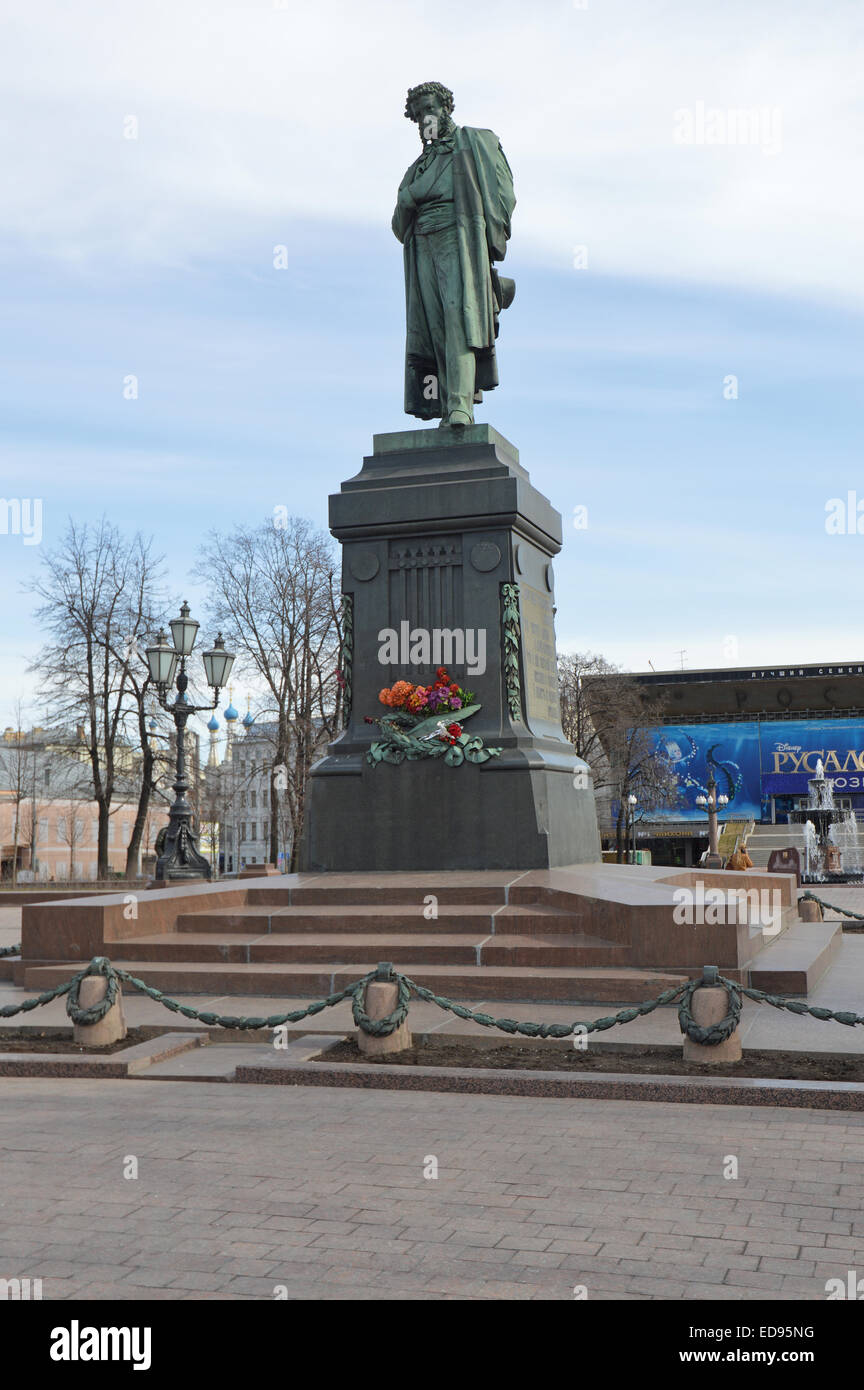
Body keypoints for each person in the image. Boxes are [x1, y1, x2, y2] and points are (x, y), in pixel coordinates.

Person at [392, 81, 516, 427]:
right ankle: (448, 406)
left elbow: (504, 192)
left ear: (446, 107)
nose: (424, 119)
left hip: (458, 237)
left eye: (429, 110)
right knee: (433, 328)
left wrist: (488, 238)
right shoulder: (416, 168)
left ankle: (461, 405)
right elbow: (398, 224)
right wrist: (409, 199)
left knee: (458, 318)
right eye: (418, 116)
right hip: (422, 243)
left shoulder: (476, 143)